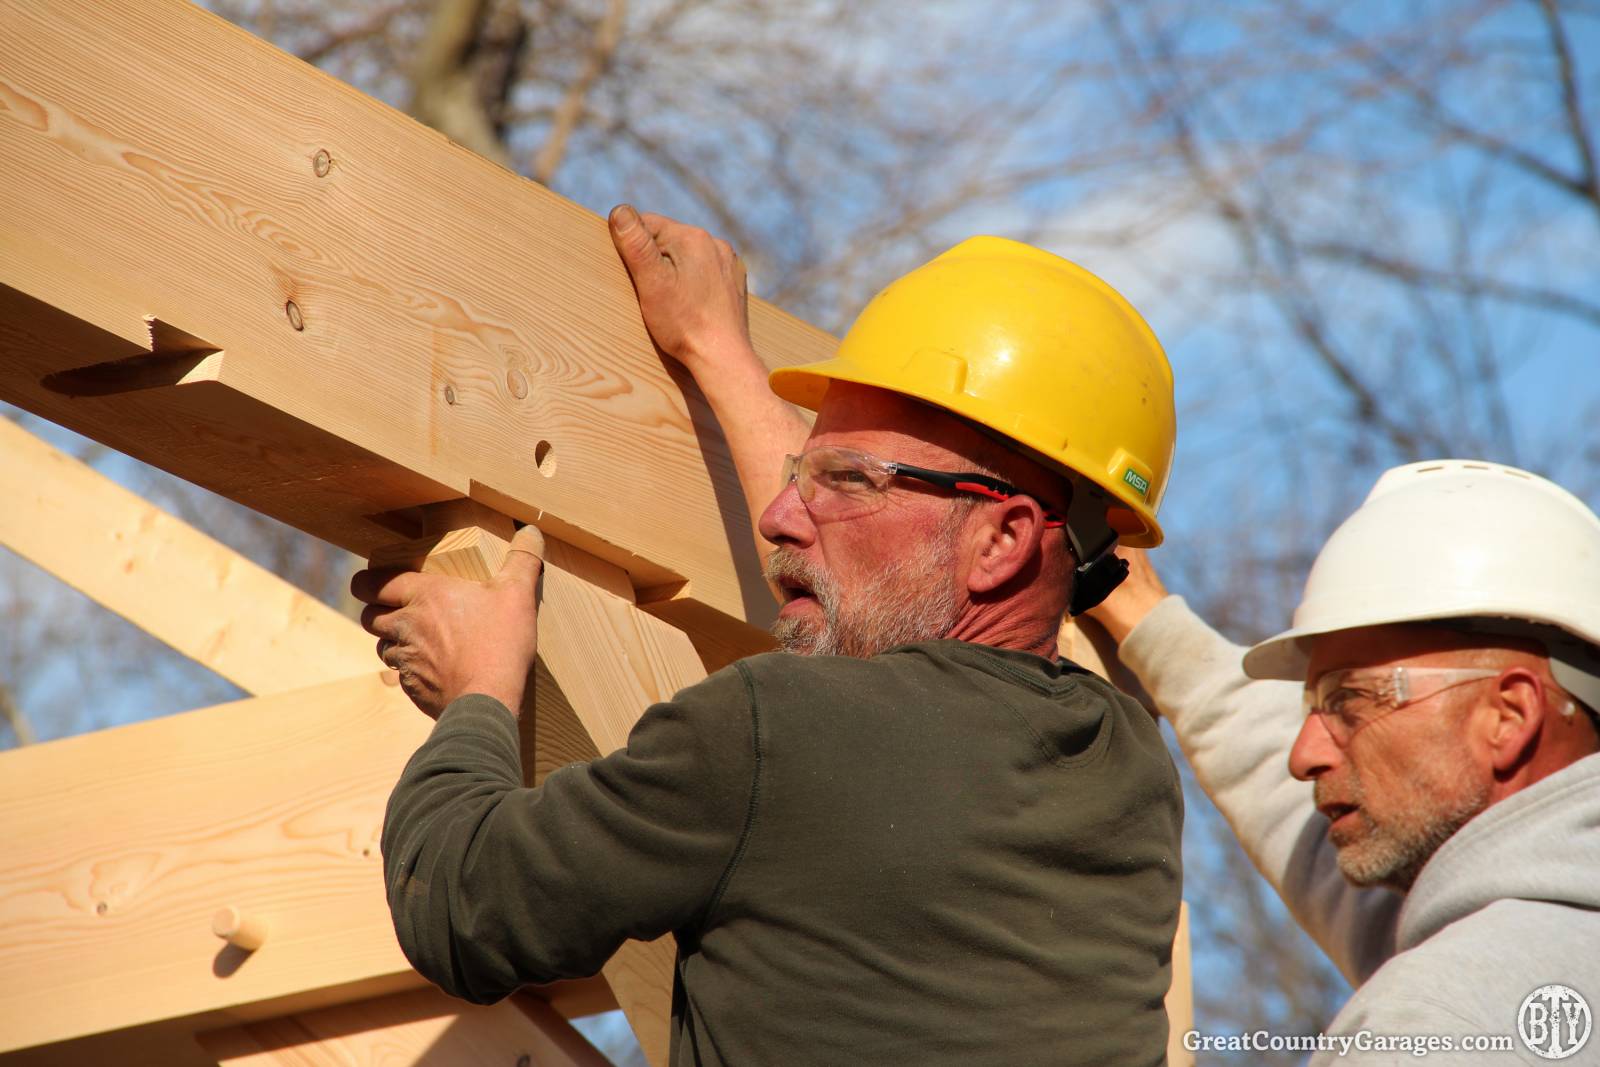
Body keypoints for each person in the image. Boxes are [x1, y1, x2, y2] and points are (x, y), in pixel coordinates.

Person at [352, 208, 1185, 1065]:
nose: (781, 515)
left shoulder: (778, 729)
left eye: (846, 480)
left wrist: (476, 691)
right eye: (801, 475)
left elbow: (460, 907)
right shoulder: (1128, 769)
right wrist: (719, 349)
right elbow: (892, 584)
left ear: (1004, 541)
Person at [1087, 460, 1600, 1064]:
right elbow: (1298, 813)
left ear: (1509, 716)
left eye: (1349, 700)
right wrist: (1150, 624)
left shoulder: (1436, 1020)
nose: (1302, 757)